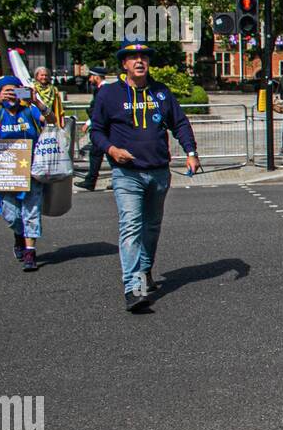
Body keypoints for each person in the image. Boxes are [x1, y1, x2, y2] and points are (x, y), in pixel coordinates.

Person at [90, 42, 201, 312]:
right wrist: (112, 149)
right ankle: (134, 289)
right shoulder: (109, 94)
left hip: (159, 172)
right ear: (124, 64)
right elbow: (96, 130)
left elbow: (180, 122)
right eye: (133, 57)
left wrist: (191, 151)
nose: (140, 61)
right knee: (131, 227)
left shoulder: (161, 92)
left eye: (144, 57)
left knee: (151, 227)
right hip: (127, 175)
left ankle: (145, 268)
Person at [0, 75, 46, 272]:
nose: (12, 94)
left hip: (32, 169)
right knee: (11, 215)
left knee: (31, 212)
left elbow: (52, 120)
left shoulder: (30, 111)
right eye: (7, 90)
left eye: (15, 90)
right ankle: (19, 236)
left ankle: (30, 252)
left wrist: (37, 101)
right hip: (6, 173)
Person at [76, 67, 112, 191]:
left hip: (103, 128)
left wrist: (89, 122)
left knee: (100, 155)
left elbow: (99, 109)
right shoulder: (104, 90)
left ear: (96, 77)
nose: (90, 79)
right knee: (98, 154)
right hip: (103, 127)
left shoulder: (103, 90)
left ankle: (91, 181)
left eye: (91, 77)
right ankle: (91, 180)